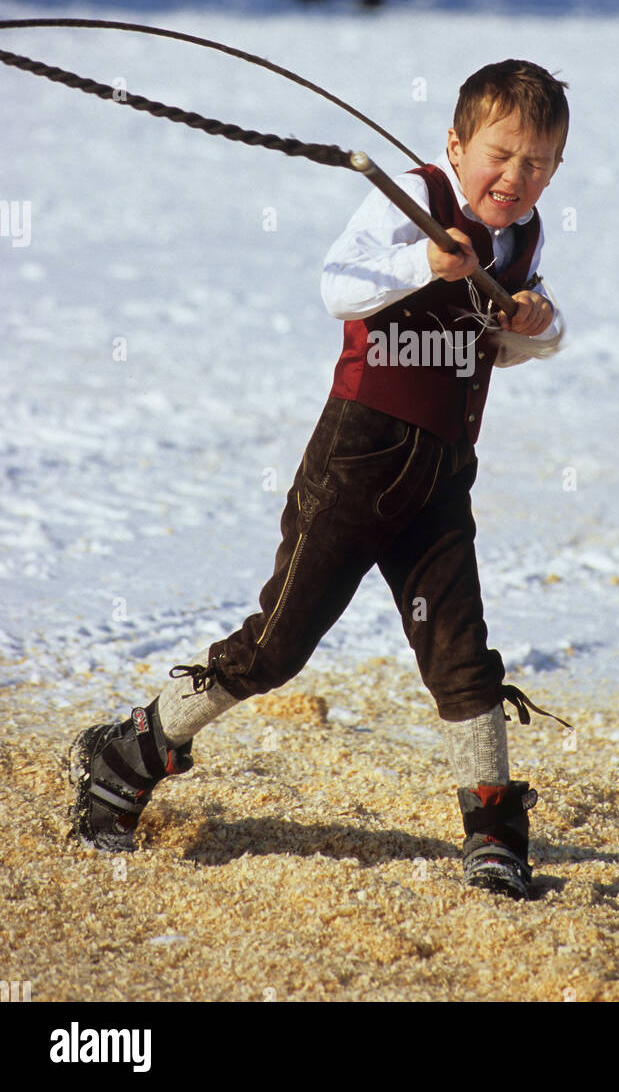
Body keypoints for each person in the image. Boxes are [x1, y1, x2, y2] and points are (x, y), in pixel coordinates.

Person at [68, 59, 570, 901]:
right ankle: (128, 753)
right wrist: (425, 269)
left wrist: (537, 322)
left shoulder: (523, 238)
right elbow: (337, 288)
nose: (515, 177)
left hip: (441, 476)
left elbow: (522, 343)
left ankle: (493, 836)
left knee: (463, 660)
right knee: (274, 649)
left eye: (539, 163)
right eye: (500, 153)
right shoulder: (412, 201)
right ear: (456, 144)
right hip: (357, 464)